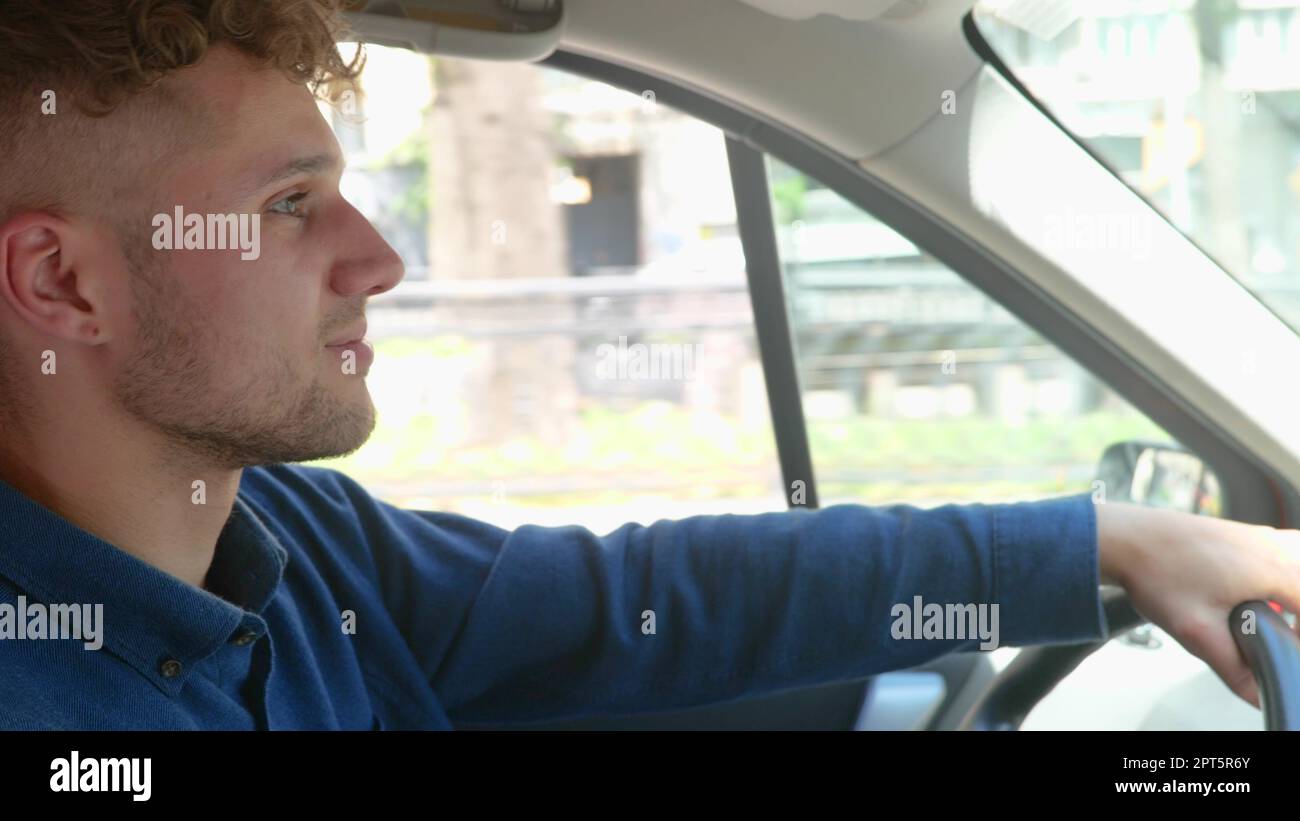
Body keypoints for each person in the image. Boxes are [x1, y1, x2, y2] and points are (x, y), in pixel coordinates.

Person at [0, 0, 1295, 730]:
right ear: (63, 282)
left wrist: (1112, 546)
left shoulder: (291, 541)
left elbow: (645, 599)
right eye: (290, 203)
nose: (378, 257)